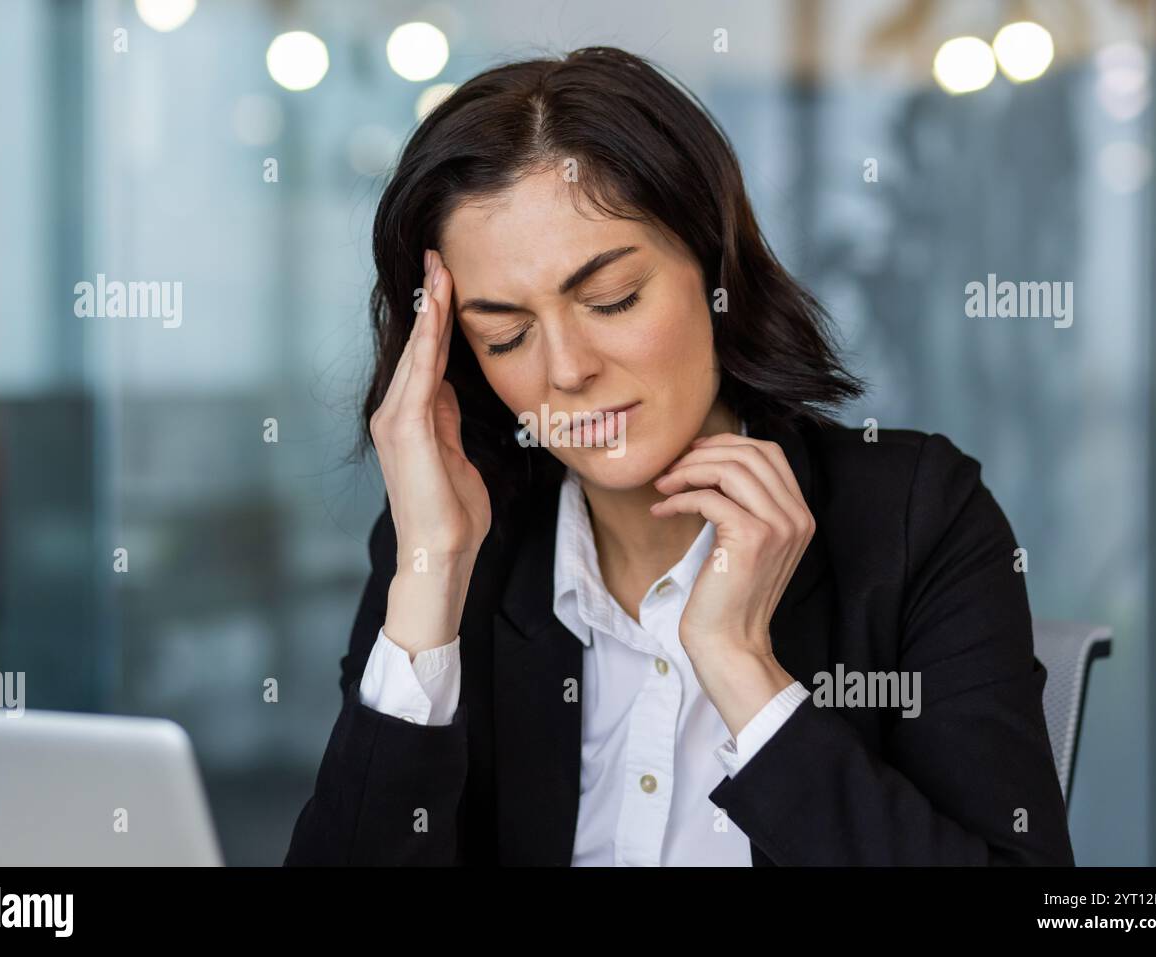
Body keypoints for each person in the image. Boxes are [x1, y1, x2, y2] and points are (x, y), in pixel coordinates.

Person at [284, 46, 1074, 866]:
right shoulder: (449, 541)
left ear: (715, 264)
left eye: (611, 298)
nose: (566, 369)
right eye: (504, 333)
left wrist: (745, 673)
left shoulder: (917, 518)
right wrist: (428, 582)